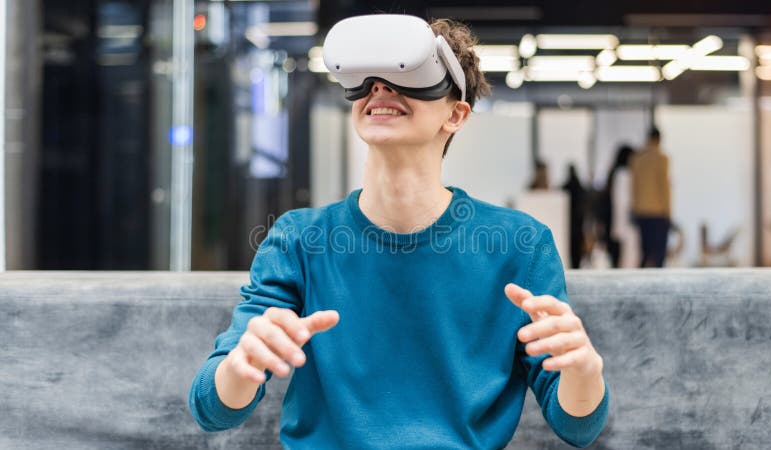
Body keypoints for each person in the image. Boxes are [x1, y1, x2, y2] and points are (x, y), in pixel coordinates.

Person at [189, 15, 609, 449]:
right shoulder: (299, 240)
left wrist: (583, 370)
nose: (381, 88)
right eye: (368, 79)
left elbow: (576, 426)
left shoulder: (519, 246)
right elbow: (212, 408)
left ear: (457, 114)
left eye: (407, 74)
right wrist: (241, 365)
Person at [630, 127, 671, 268]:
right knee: (659, 253)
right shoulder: (662, 158)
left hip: (642, 211)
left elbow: (634, 187)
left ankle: (641, 283)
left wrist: (635, 208)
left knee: (645, 251)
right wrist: (668, 211)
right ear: (659, 139)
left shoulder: (637, 159)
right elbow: (664, 186)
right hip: (658, 211)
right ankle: (658, 285)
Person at [599, 145, 634, 268]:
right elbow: (621, 203)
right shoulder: (623, 174)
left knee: (616, 259)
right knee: (622, 259)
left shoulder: (613, 174)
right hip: (620, 223)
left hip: (612, 222)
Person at [561, 164, 586, 269]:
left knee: (570, 249)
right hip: (578, 223)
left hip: (568, 223)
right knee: (577, 252)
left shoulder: (564, 188)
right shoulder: (581, 188)